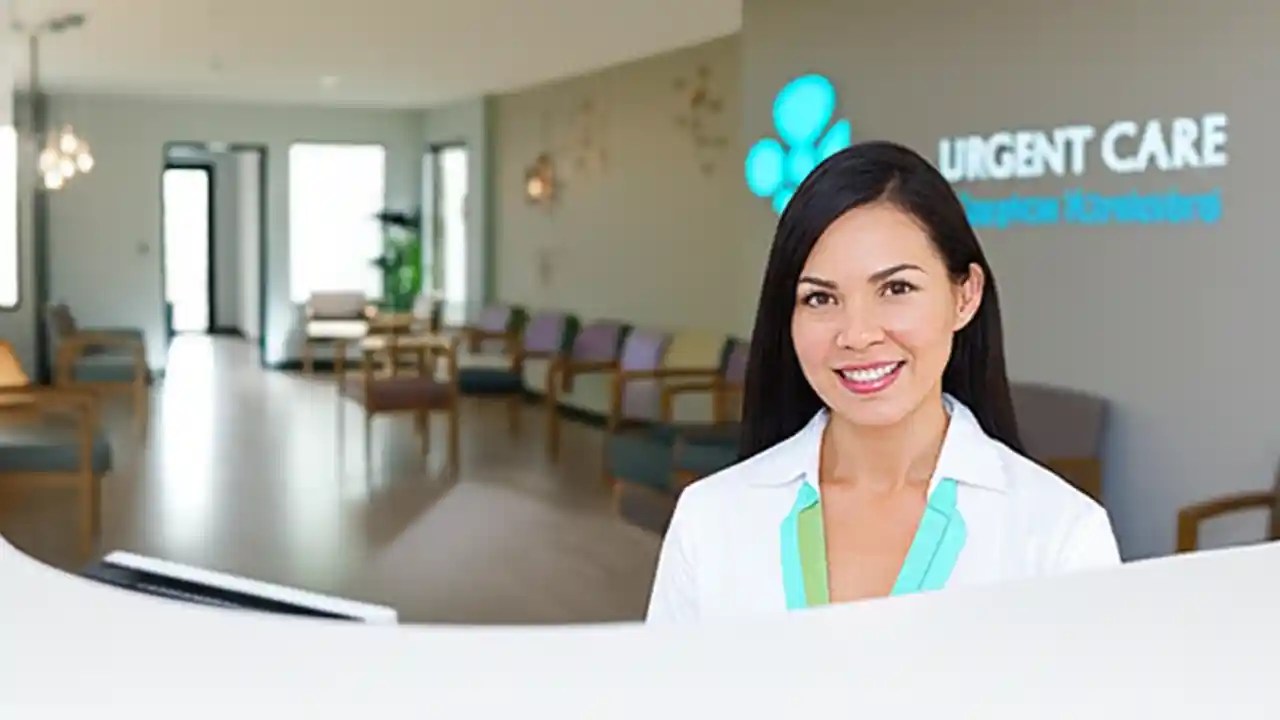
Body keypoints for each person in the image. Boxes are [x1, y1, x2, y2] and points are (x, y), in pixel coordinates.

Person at [646, 140, 1120, 624]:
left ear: (965, 296)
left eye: (896, 289)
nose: (857, 335)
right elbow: (666, 700)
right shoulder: (710, 519)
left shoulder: (1062, 537)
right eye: (820, 299)